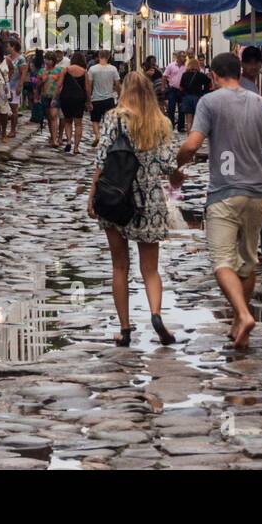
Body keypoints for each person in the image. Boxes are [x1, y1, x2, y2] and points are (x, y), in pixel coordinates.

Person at [176, 52, 262, 349]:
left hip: (225, 192)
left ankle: (244, 314)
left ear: (215, 75)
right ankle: (237, 323)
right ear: (240, 73)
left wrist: (178, 164)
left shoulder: (209, 102)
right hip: (259, 193)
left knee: (222, 261)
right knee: (247, 262)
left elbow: (193, 144)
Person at [88, 71, 185, 347]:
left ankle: (125, 329)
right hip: (150, 202)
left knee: (119, 266)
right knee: (150, 269)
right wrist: (177, 178)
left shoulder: (113, 118)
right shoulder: (161, 123)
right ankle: (155, 314)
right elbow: (169, 166)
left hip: (115, 198)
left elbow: (102, 157)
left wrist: (92, 193)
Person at [86, 49, 122, 146]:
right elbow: (118, 84)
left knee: (95, 120)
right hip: (109, 99)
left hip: (96, 99)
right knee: (109, 120)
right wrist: (120, 96)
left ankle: (97, 135)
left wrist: (88, 100)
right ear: (109, 57)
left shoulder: (92, 69)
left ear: (99, 56)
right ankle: (107, 137)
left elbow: (89, 86)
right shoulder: (113, 69)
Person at [58, 50, 89, 155]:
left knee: (67, 121)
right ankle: (76, 148)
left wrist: (54, 98)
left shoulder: (65, 70)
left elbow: (59, 85)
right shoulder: (84, 72)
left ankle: (69, 141)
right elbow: (87, 89)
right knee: (78, 124)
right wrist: (89, 101)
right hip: (79, 99)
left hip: (66, 97)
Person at [179, 57, 212, 132]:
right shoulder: (200, 75)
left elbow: (181, 87)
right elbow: (209, 83)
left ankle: (189, 137)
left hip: (187, 98)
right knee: (195, 120)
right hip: (197, 98)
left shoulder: (185, 75)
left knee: (188, 121)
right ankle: (193, 138)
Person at [41, 51, 64, 148]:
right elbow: (37, 84)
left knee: (54, 116)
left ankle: (54, 139)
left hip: (55, 96)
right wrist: (42, 79)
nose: (47, 61)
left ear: (53, 61)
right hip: (45, 96)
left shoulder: (60, 70)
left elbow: (61, 84)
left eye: (49, 59)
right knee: (49, 118)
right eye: (46, 59)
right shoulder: (42, 71)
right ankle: (52, 136)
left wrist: (57, 95)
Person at [6, 41, 27, 139]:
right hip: (6, 86)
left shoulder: (21, 59)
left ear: (13, 46)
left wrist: (20, 85)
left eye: (8, 46)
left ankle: (13, 130)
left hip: (15, 86)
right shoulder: (7, 57)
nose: (7, 47)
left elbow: (23, 73)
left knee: (14, 109)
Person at [164, 50, 187, 132]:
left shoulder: (186, 67)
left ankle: (181, 127)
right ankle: (171, 126)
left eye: (185, 56)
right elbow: (164, 76)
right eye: (183, 56)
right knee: (171, 108)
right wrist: (164, 87)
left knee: (182, 109)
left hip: (182, 90)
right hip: (173, 89)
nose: (184, 58)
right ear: (178, 57)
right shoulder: (171, 66)